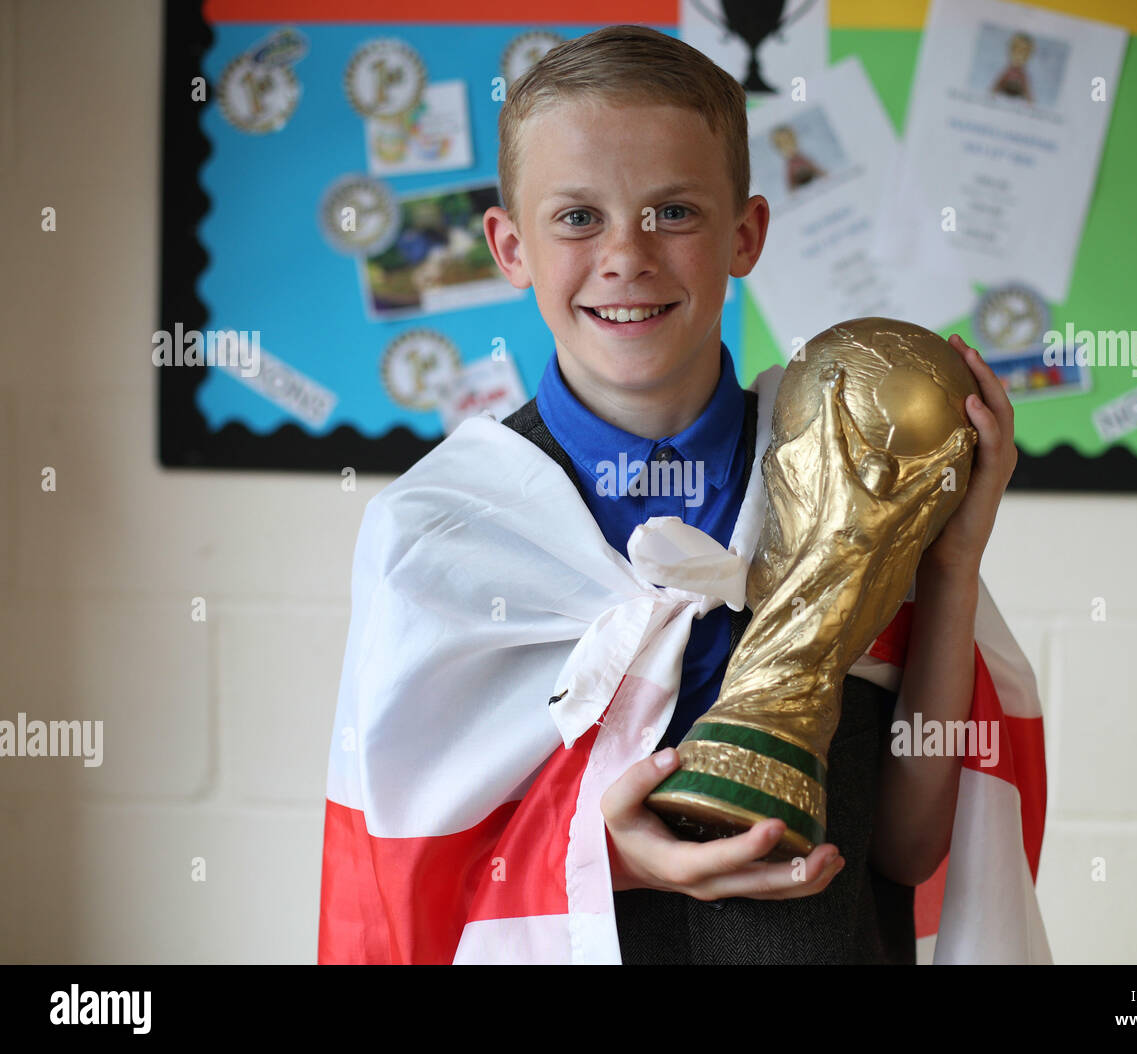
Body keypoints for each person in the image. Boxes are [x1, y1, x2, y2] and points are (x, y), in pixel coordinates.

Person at [318, 24, 1038, 965]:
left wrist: (948, 561)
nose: (627, 256)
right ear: (508, 245)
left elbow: (909, 846)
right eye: (577, 217)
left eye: (674, 213)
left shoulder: (848, 473)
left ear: (746, 234)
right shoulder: (444, 537)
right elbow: (400, 884)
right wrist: (605, 860)